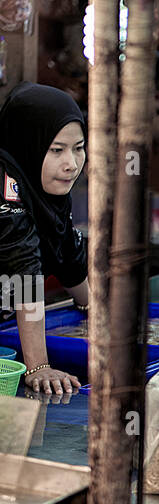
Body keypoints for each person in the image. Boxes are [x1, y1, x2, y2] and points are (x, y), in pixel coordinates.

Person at [0, 83, 88, 396]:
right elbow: (24, 273)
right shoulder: (5, 185)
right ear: (29, 145)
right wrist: (38, 367)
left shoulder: (47, 192)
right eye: (57, 150)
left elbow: (66, 250)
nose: (72, 163)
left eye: (78, 148)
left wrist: (89, 304)